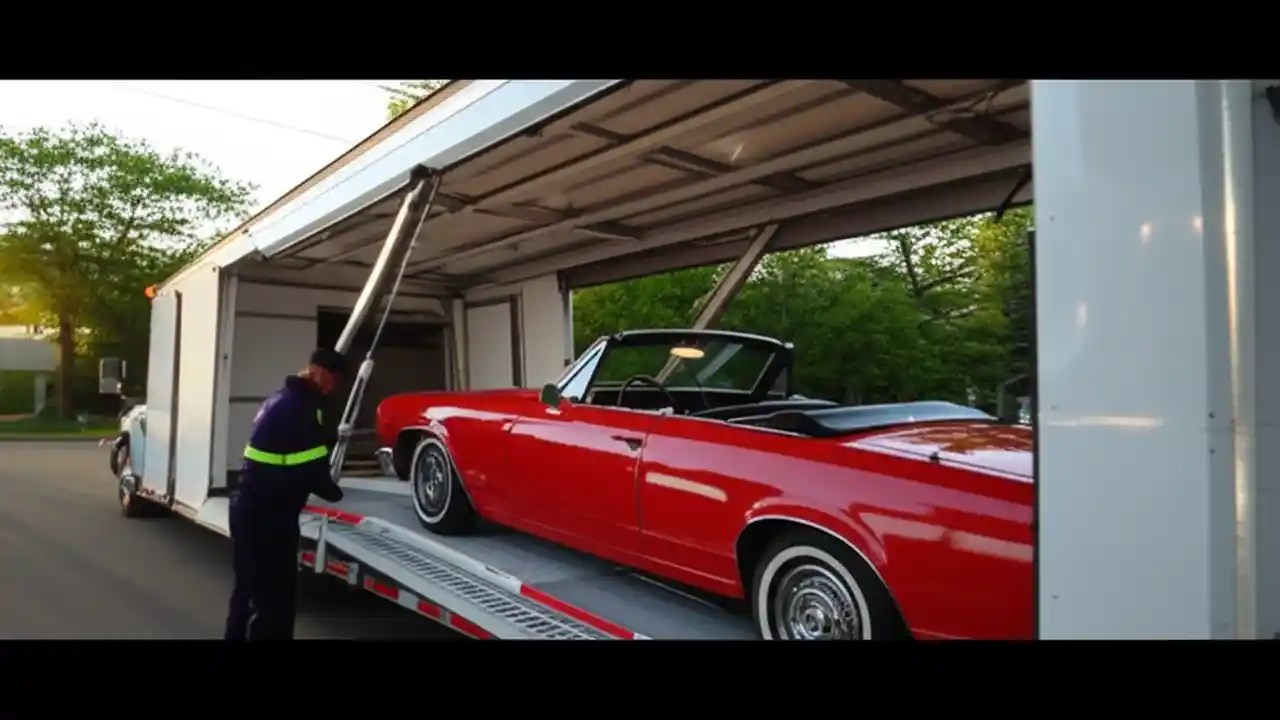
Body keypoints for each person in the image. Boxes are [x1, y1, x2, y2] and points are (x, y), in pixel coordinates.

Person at [224, 347, 348, 641]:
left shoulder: (283, 398)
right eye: (332, 378)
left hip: (259, 508)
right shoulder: (301, 407)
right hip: (266, 514)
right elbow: (312, 465)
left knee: (253, 594)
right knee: (269, 599)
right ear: (317, 371)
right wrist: (334, 492)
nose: (334, 386)